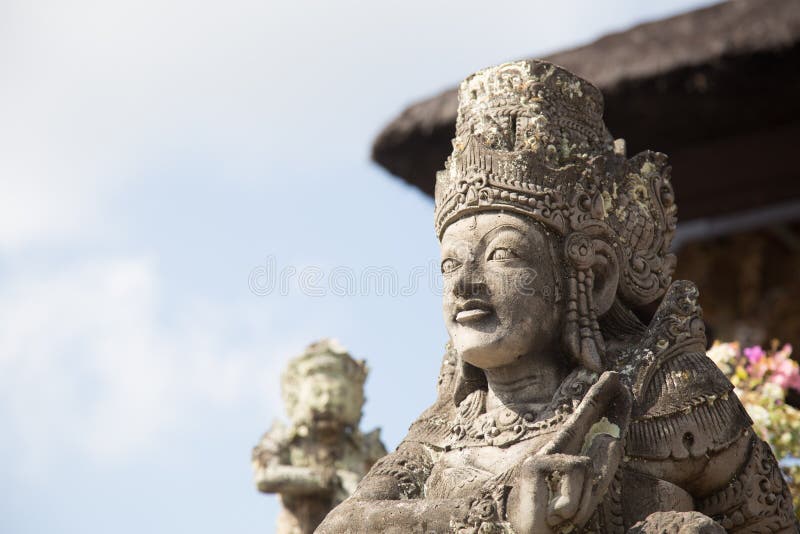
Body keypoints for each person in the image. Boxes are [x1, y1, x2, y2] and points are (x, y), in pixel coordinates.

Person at [317, 60, 797, 533]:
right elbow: (343, 525)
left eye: (501, 255)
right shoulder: (441, 432)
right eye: (450, 263)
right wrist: (500, 515)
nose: (464, 283)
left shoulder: (668, 398)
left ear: (594, 276)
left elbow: (770, 522)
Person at [252, 339, 386, 534]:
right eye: (317, 393)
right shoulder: (286, 440)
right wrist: (326, 479)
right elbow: (265, 475)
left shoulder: (367, 449)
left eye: (338, 394)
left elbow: (392, 489)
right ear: (296, 396)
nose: (327, 401)